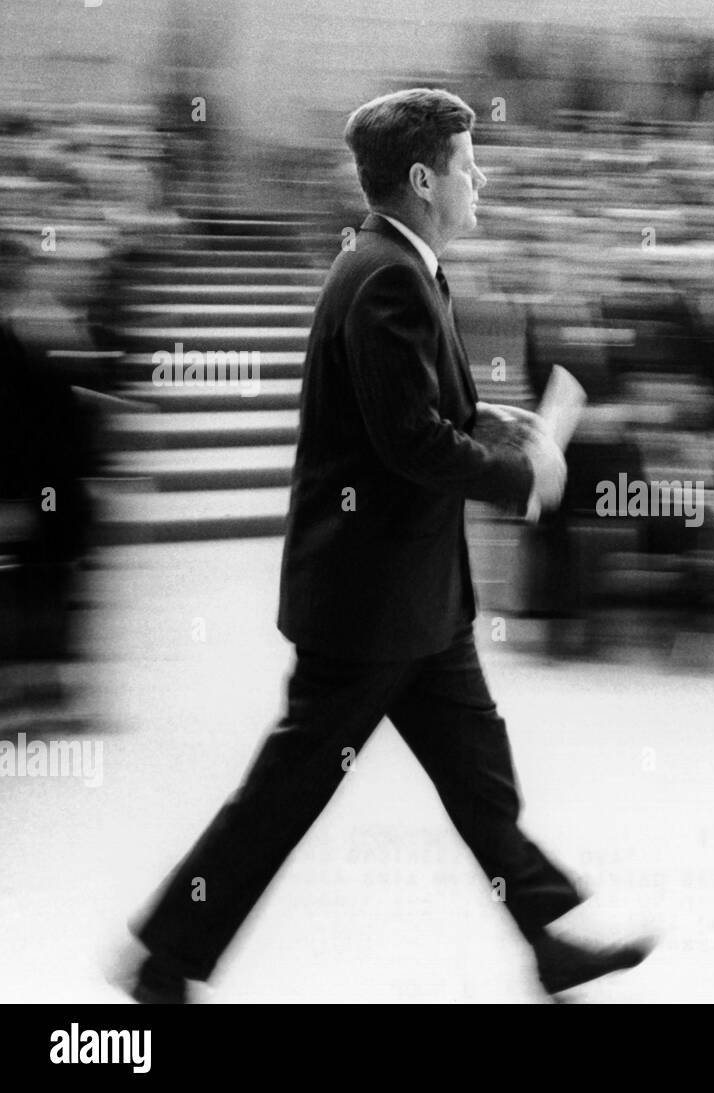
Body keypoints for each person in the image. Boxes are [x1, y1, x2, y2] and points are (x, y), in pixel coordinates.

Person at [121, 88, 652, 1002]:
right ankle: (165, 957)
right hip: (370, 606)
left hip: (415, 598)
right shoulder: (387, 278)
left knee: (479, 776)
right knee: (288, 791)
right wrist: (522, 477)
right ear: (421, 178)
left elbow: (419, 408)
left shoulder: (401, 264)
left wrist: (495, 420)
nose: (480, 176)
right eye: (466, 163)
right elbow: (409, 440)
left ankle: (546, 935)